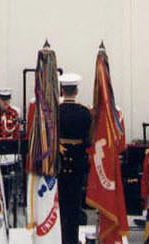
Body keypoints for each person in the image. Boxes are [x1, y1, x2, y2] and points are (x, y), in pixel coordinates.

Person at [56, 72, 91, 244]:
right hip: (77, 162)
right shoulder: (85, 112)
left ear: (62, 91)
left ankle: (62, 238)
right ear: (76, 91)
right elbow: (88, 140)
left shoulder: (55, 111)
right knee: (75, 203)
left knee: (61, 203)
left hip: (60, 162)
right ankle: (72, 239)